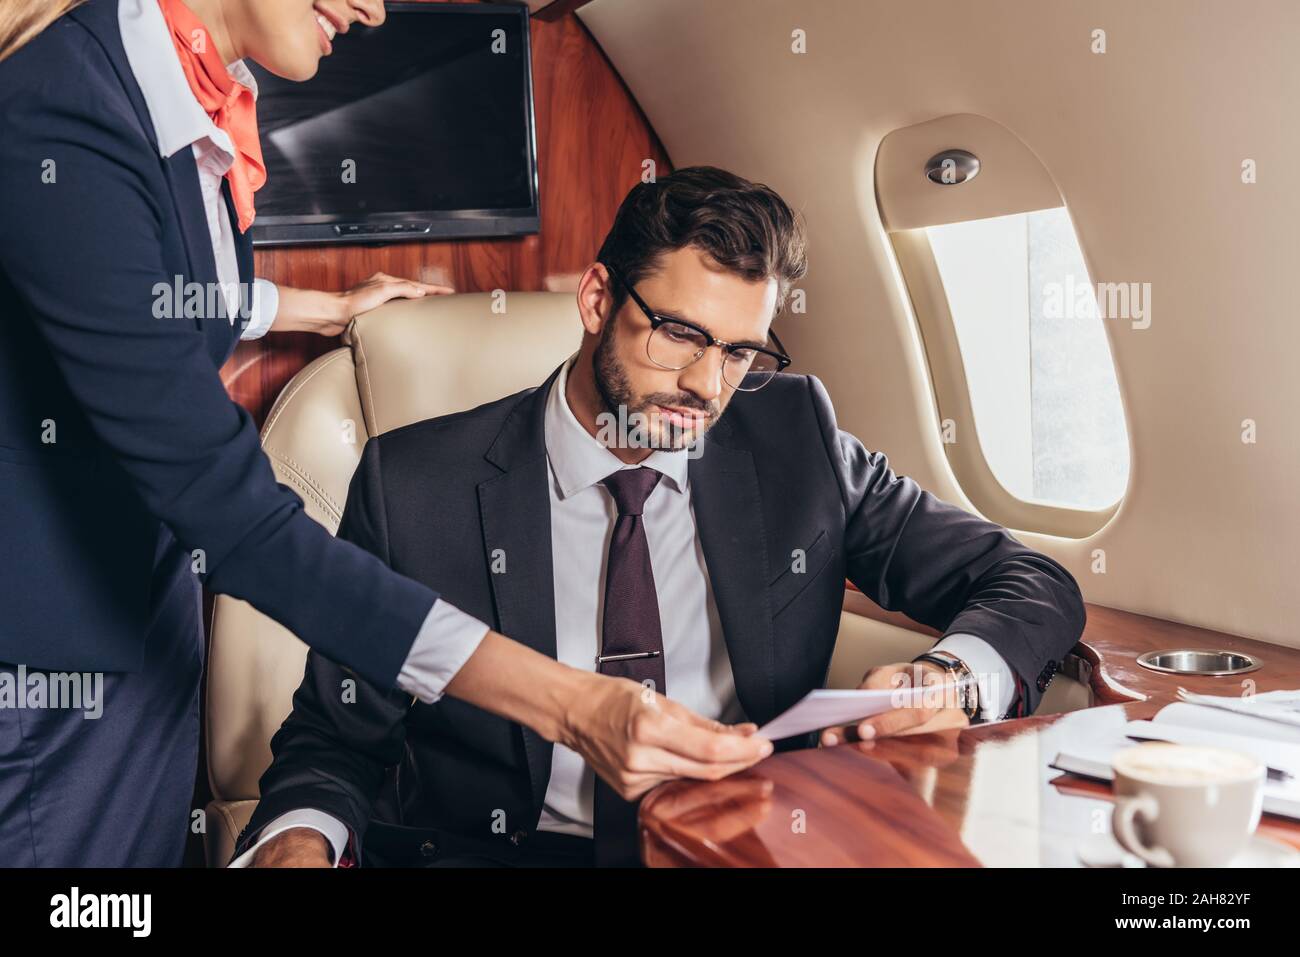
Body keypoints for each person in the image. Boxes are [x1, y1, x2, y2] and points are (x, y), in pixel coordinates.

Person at [0, 1, 766, 867]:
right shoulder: (61, 112)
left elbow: (147, 286)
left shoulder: (174, 94)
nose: (373, 7)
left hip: (146, 623)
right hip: (49, 675)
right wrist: (570, 704)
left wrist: (321, 307)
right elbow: (234, 513)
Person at [235, 167, 1086, 868]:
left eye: (740, 352)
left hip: (747, 849)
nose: (708, 387)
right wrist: (299, 841)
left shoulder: (793, 438)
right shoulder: (413, 484)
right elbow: (335, 739)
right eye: (679, 334)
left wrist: (950, 680)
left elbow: (1029, 581)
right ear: (599, 298)